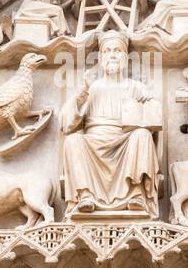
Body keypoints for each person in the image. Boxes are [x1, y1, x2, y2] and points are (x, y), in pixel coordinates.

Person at [59, 31, 160, 215]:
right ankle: (85, 195)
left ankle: (136, 194)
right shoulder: (93, 87)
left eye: (118, 50)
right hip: (94, 140)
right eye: (107, 51)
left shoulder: (136, 86)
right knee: (73, 141)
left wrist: (149, 103)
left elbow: (153, 118)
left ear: (125, 57)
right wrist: (83, 92)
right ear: (101, 57)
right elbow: (68, 125)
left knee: (143, 135)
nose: (112, 54)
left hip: (125, 140)